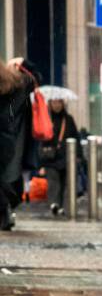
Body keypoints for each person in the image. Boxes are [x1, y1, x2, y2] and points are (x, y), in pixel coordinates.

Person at [0, 57, 36, 230]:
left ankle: (6, 209)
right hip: (8, 140)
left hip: (7, 139)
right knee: (6, 179)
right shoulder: (15, 89)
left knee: (5, 180)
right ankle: (6, 210)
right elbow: (32, 79)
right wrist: (23, 64)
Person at [37, 96, 80, 216]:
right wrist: (40, 165)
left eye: (59, 102)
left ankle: (63, 206)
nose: (57, 105)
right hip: (50, 158)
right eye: (54, 102)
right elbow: (40, 141)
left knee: (65, 183)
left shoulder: (68, 119)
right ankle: (54, 204)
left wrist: (78, 156)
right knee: (53, 182)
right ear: (50, 104)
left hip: (66, 157)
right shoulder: (46, 119)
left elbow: (75, 137)